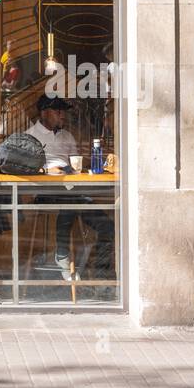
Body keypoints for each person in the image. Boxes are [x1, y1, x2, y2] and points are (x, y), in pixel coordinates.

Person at [26, 96, 114, 285]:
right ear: (44, 113)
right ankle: (62, 254)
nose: (62, 115)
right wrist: (45, 171)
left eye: (63, 111)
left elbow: (75, 165)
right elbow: (22, 167)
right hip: (44, 190)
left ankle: (100, 274)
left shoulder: (67, 136)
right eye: (57, 111)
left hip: (70, 187)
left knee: (107, 225)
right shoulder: (30, 136)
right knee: (70, 200)